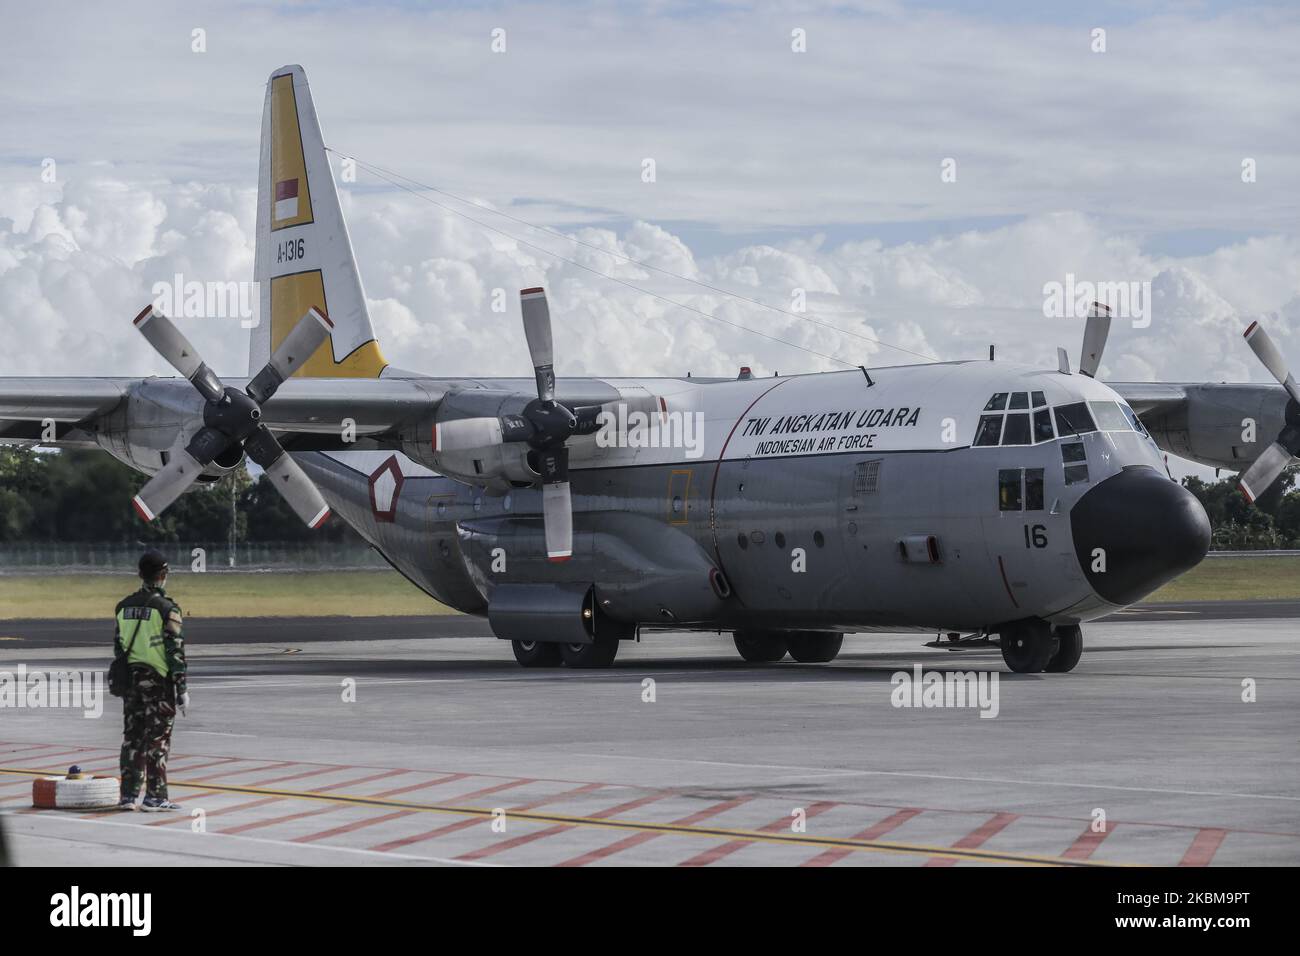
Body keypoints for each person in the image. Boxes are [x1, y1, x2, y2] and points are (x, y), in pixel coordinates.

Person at [114, 548, 189, 811]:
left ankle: (128, 796)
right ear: (164, 575)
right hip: (158, 682)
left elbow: (119, 647)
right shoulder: (168, 608)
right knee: (158, 739)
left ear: (140, 574)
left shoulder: (123, 607)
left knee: (132, 738)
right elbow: (174, 652)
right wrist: (181, 687)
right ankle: (155, 797)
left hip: (131, 681)